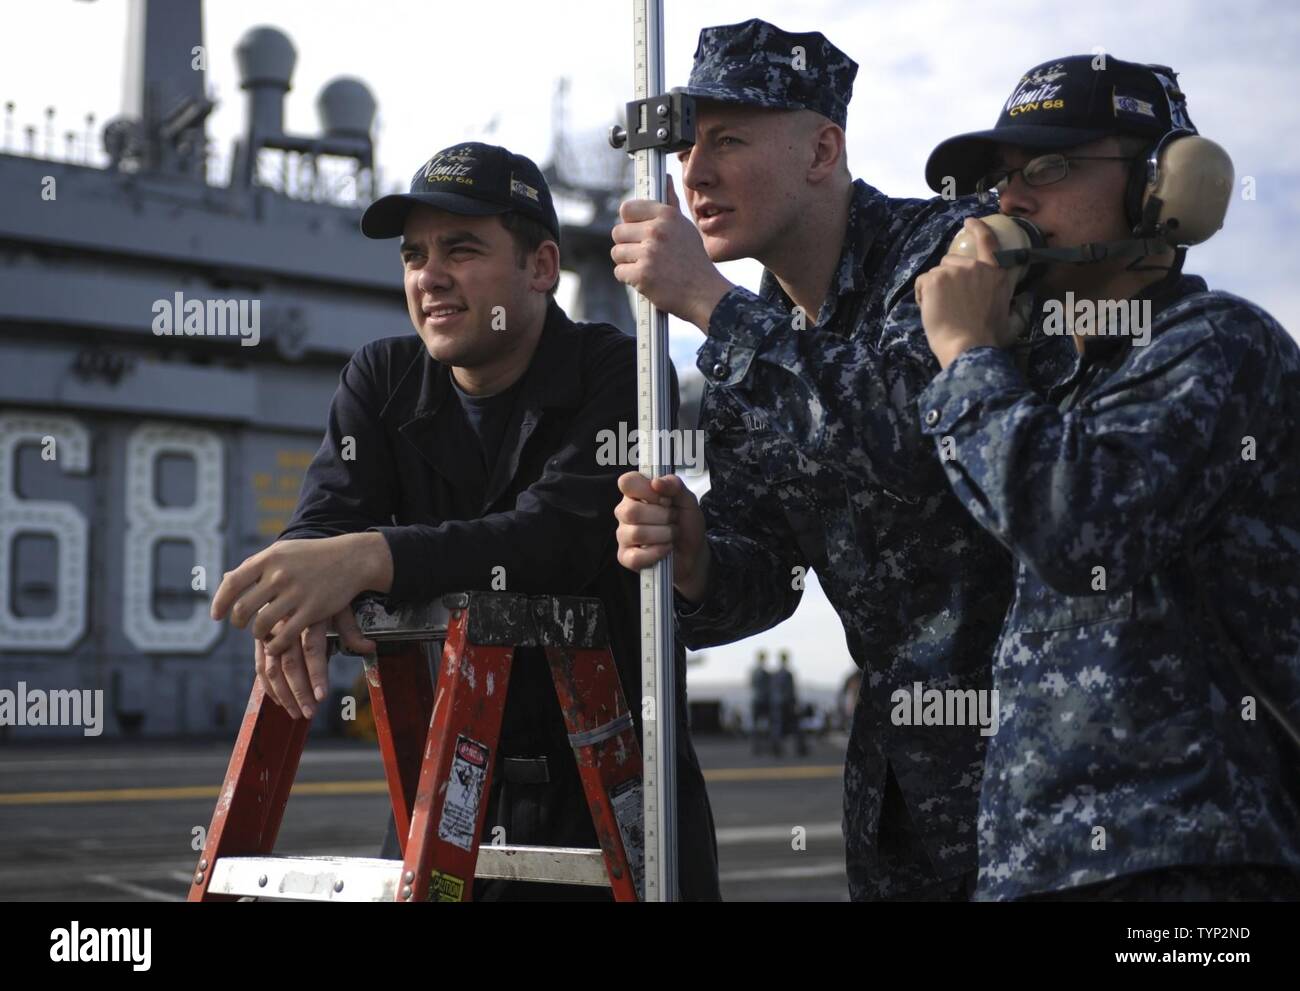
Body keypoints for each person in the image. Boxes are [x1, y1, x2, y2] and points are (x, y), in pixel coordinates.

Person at [610, 18, 1070, 900]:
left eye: (729, 141)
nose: (694, 175)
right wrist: (700, 558)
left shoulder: (956, 253)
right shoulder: (748, 354)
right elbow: (768, 577)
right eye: (688, 149)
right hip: (895, 798)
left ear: (823, 150)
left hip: (1039, 769)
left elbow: (911, 437)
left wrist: (712, 306)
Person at [210, 142, 721, 901]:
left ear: (542, 267)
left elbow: (552, 540)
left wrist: (366, 559)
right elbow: (321, 525)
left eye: (462, 248)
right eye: (415, 254)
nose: (429, 276)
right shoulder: (380, 379)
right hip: (439, 799)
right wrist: (302, 586)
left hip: (608, 807)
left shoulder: (621, 372)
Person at [914, 55, 1300, 900]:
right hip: (1045, 869)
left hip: (1190, 867)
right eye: (1001, 180)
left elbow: (1077, 522)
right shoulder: (1052, 396)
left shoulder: (1220, 345)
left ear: (1165, 185)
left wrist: (969, 357)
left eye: (1048, 169)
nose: (1009, 201)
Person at [771, 650, 806, 757]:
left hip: (778, 703)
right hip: (787, 703)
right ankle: (800, 748)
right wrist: (795, 703)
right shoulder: (788, 674)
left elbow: (773, 689)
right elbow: (791, 690)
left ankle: (776, 748)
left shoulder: (775, 674)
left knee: (778, 726)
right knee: (795, 725)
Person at [749, 648, 771, 754]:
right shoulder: (766, 673)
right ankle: (763, 746)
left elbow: (751, 685)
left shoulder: (754, 672)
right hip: (764, 701)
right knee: (766, 724)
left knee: (756, 725)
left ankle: (757, 747)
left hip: (756, 700)